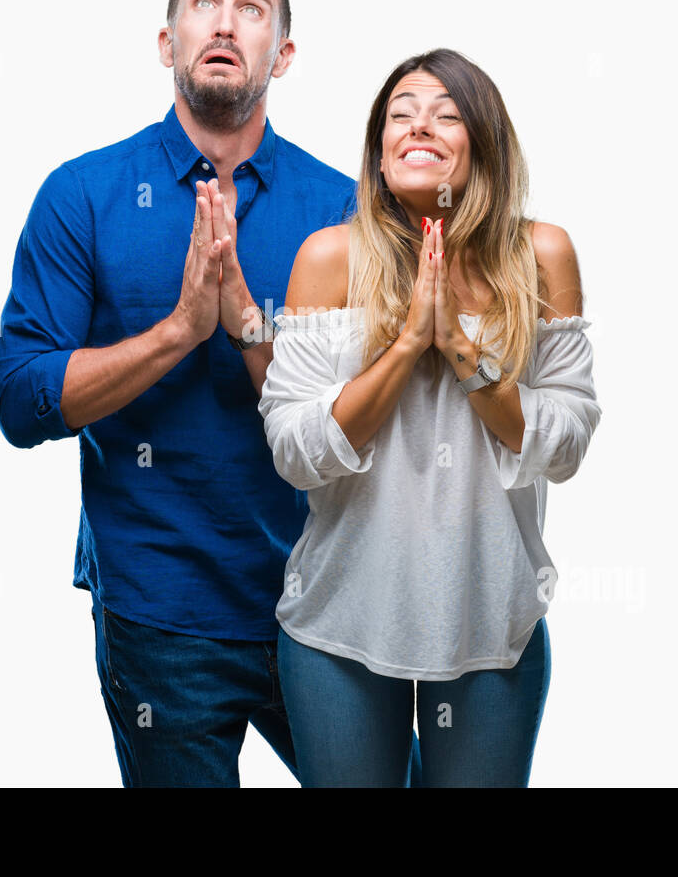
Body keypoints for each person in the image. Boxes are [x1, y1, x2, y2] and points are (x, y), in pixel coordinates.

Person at [0, 0, 421, 786]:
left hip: (322, 604)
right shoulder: (83, 195)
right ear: (167, 41)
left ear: (283, 52)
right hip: (162, 615)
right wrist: (177, 332)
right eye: (204, 4)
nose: (226, 24)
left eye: (251, 9)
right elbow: (21, 399)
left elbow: (357, 429)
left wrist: (242, 328)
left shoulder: (342, 210)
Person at [258, 48, 603, 787]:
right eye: (401, 115)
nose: (421, 126)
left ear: (483, 147)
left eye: (447, 114)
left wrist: (459, 348)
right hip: (338, 629)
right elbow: (292, 450)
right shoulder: (330, 258)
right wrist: (408, 343)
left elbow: (566, 444)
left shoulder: (542, 256)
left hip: (491, 628)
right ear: (380, 159)